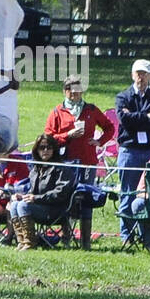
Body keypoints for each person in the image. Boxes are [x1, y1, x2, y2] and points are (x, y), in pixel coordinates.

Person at [44, 75, 113, 249]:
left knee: (86, 196)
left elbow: (109, 127)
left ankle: (86, 242)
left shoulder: (91, 109)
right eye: (72, 92)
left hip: (88, 161)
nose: (75, 95)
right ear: (65, 91)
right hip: (66, 162)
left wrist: (100, 141)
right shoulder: (57, 112)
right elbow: (48, 137)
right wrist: (67, 135)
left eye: (78, 92)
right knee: (67, 197)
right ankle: (66, 238)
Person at [115, 59, 150, 243]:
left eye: (144, 73)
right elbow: (124, 120)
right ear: (132, 75)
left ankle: (146, 234)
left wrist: (135, 117)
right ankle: (126, 235)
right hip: (129, 150)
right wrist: (147, 116)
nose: (141, 76)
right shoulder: (123, 97)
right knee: (128, 192)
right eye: (138, 73)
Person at [8, 133, 77, 251]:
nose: (45, 150)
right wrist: (23, 196)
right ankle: (22, 241)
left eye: (49, 147)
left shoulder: (61, 168)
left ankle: (31, 243)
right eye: (42, 148)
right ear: (37, 150)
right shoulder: (36, 169)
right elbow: (33, 191)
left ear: (54, 150)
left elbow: (60, 193)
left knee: (23, 206)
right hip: (39, 207)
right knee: (15, 204)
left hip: (56, 210)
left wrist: (35, 198)